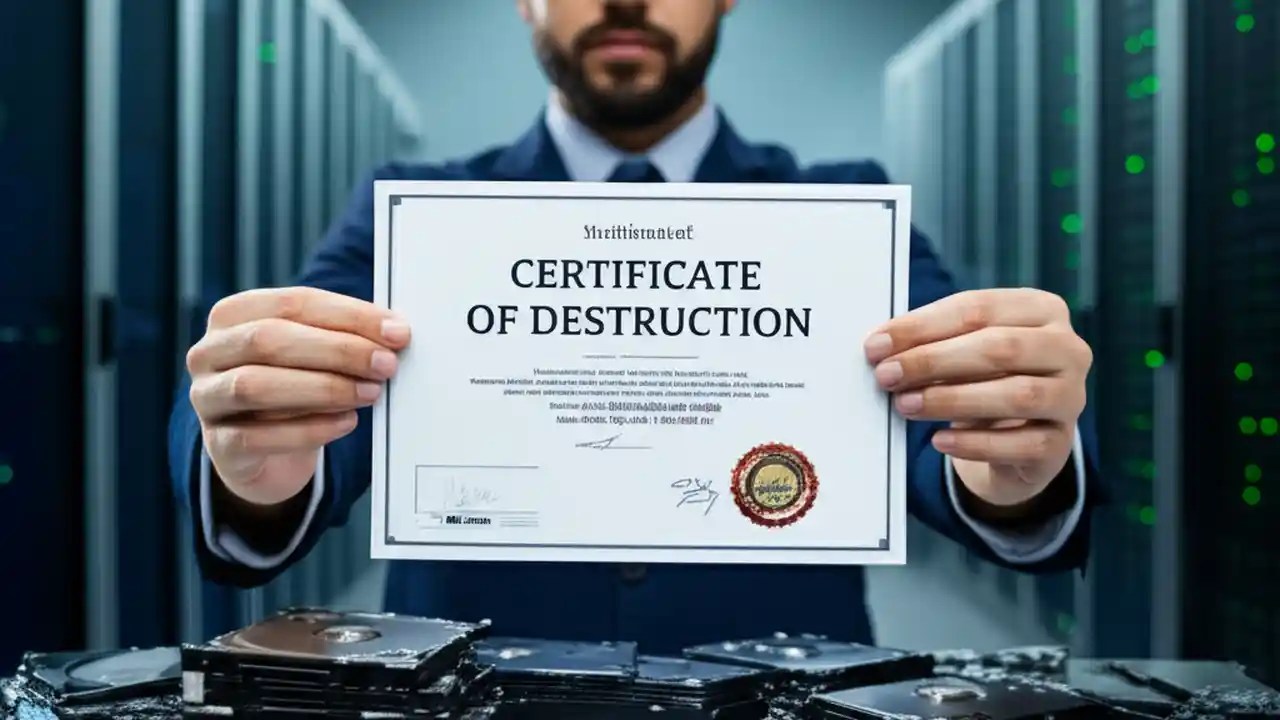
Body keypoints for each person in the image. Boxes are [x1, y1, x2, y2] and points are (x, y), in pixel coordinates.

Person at [168, 0, 1102, 652]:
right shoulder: (414, 216)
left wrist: (1012, 466)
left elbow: (956, 442)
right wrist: (253, 468)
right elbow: (301, 425)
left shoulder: (843, 215)